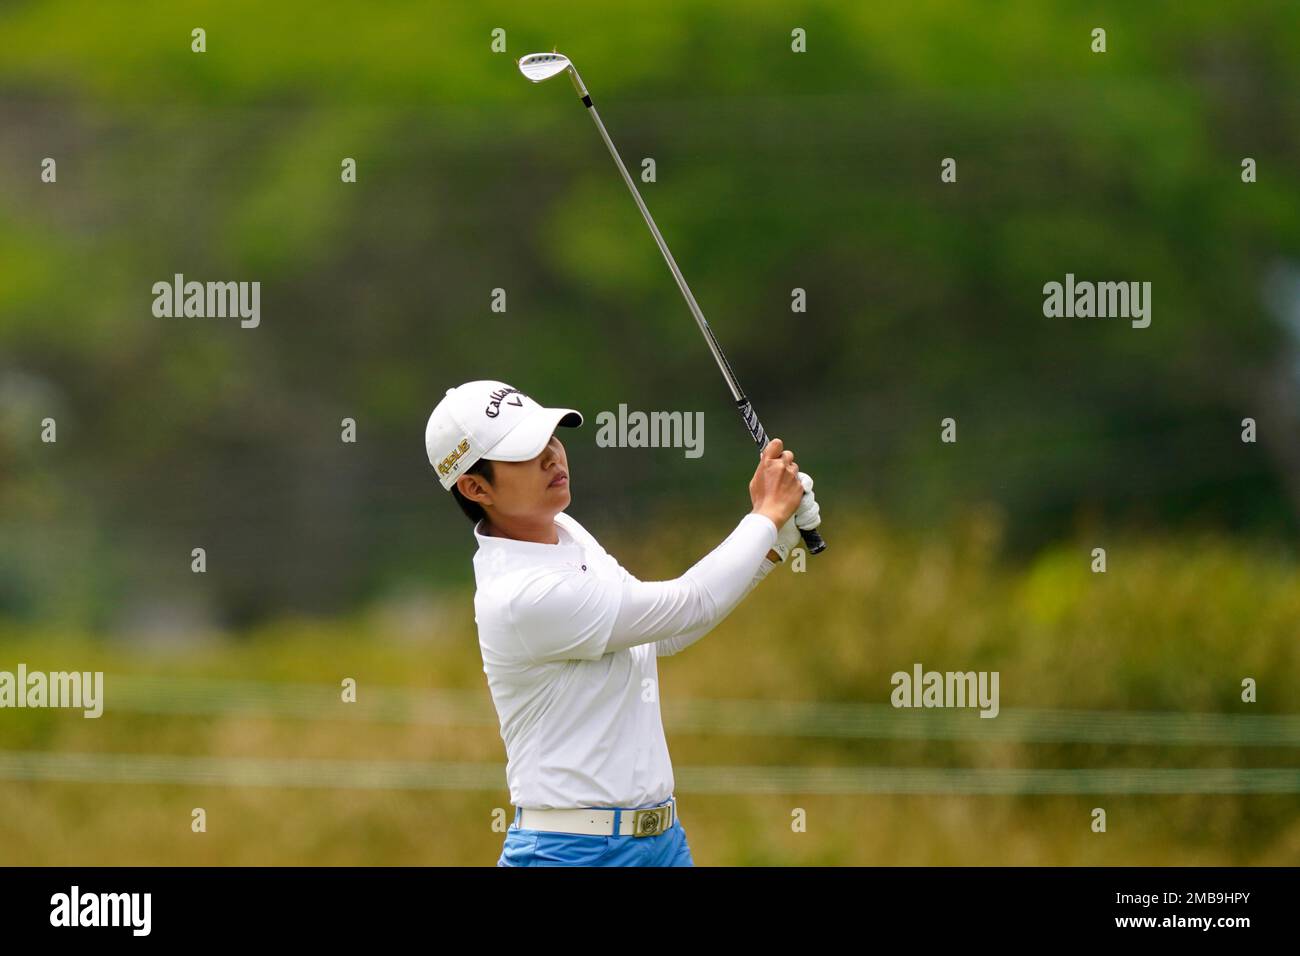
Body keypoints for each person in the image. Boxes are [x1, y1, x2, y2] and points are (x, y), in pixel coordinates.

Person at [424, 379, 822, 866]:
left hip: (663, 844)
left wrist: (772, 545)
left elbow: (663, 633)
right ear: (474, 486)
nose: (552, 456)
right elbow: (687, 602)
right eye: (524, 451)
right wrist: (764, 516)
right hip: (570, 854)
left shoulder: (566, 533)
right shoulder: (520, 596)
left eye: (550, 436)